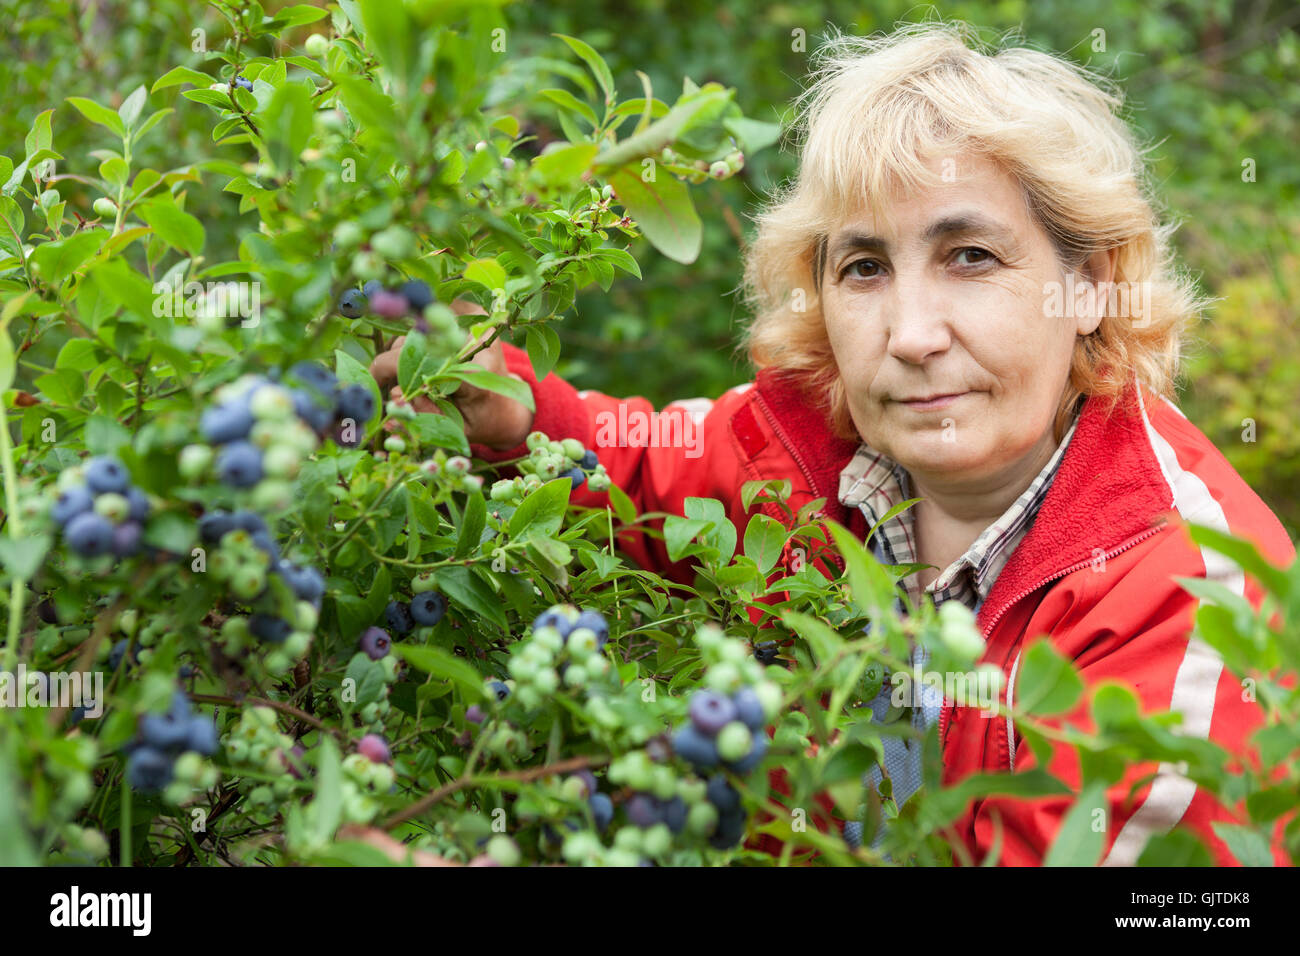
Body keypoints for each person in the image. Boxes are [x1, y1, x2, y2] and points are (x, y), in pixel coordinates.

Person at [371, 22, 1295, 865]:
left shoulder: (1182, 594)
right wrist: (506, 406)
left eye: (969, 256)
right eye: (864, 269)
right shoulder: (806, 453)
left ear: (1089, 284)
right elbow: (631, 466)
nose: (910, 333)